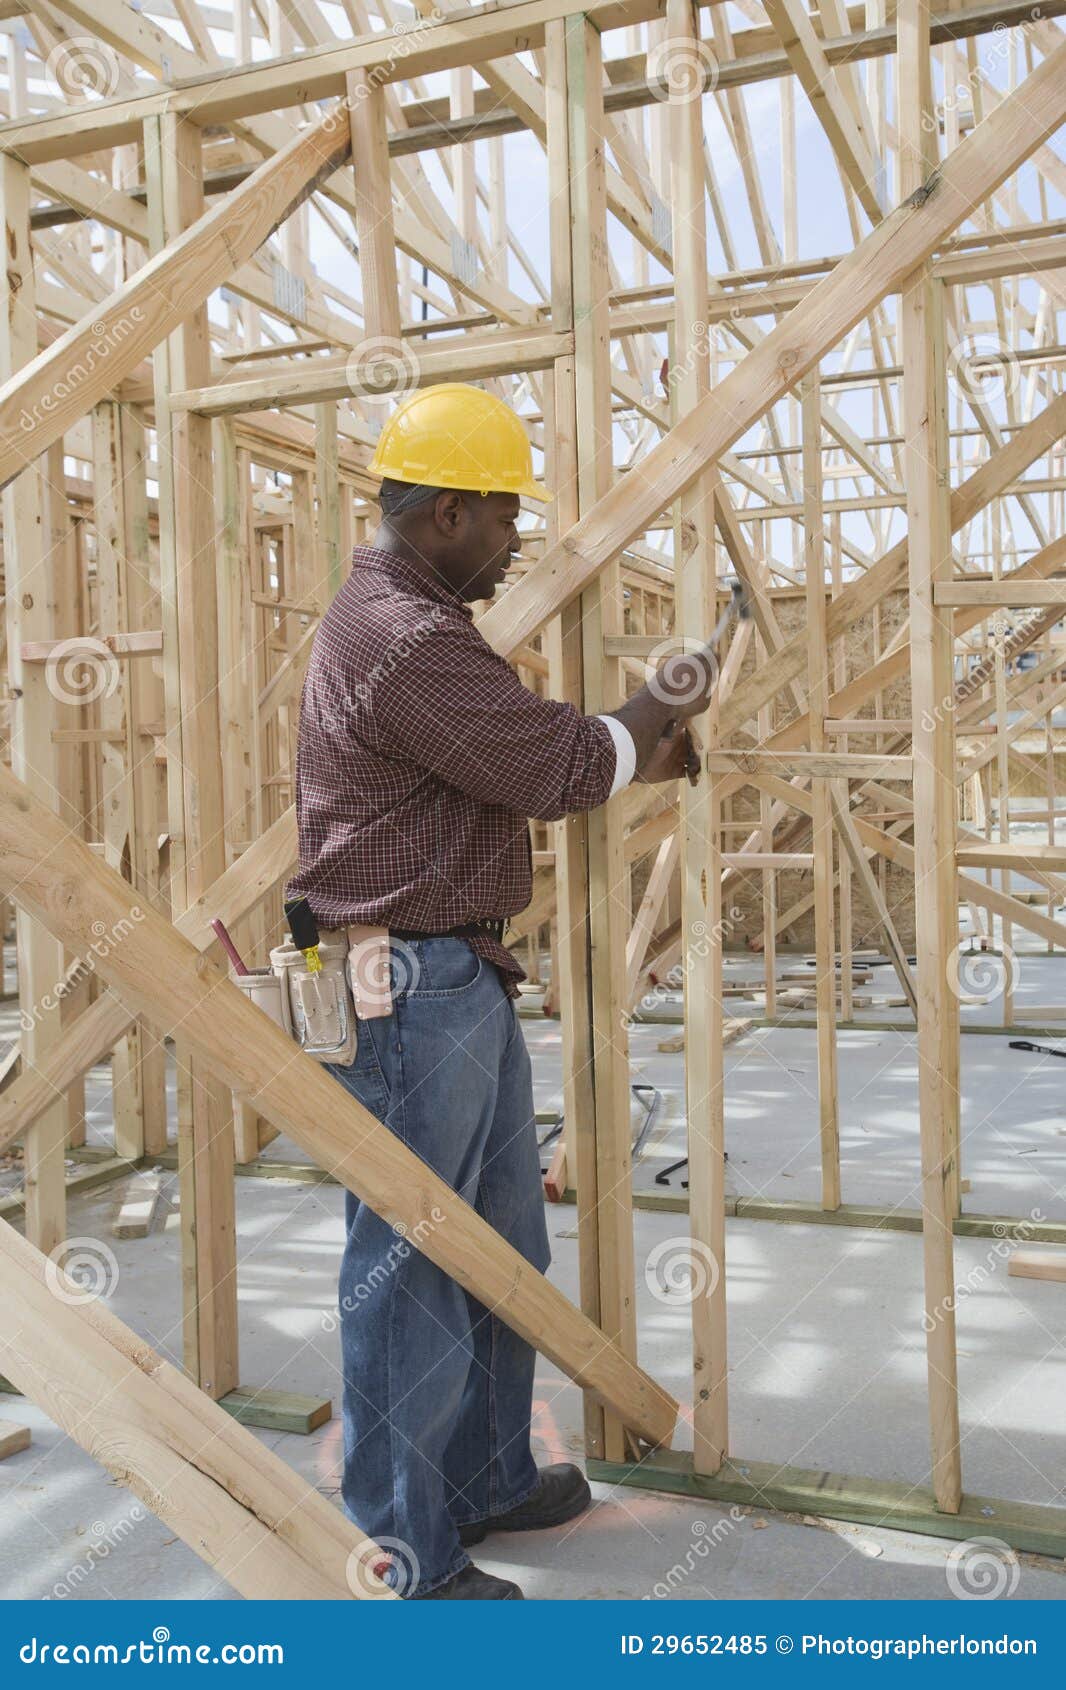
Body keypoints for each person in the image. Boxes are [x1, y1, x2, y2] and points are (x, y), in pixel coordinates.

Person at [287, 383, 716, 1599]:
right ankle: (407, 1546)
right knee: (412, 1269)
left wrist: (640, 731)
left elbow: (525, 754)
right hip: (408, 989)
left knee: (495, 1251)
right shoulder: (405, 637)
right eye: (503, 518)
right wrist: (665, 700)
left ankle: (484, 1474)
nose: (517, 540)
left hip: (451, 974)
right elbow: (557, 764)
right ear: (442, 517)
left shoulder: (412, 620)